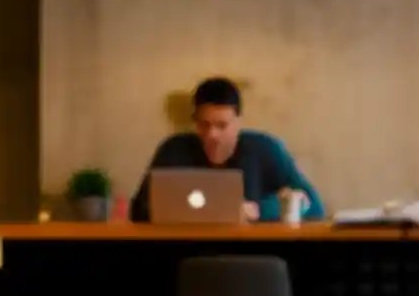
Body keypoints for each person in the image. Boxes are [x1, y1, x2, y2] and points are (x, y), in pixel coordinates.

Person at [129, 77, 325, 222]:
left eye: (222, 125)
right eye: (204, 125)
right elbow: (138, 211)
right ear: (195, 123)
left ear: (238, 123)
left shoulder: (265, 149)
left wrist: (259, 210)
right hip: (185, 253)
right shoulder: (173, 150)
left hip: (250, 255)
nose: (212, 135)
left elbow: (314, 207)